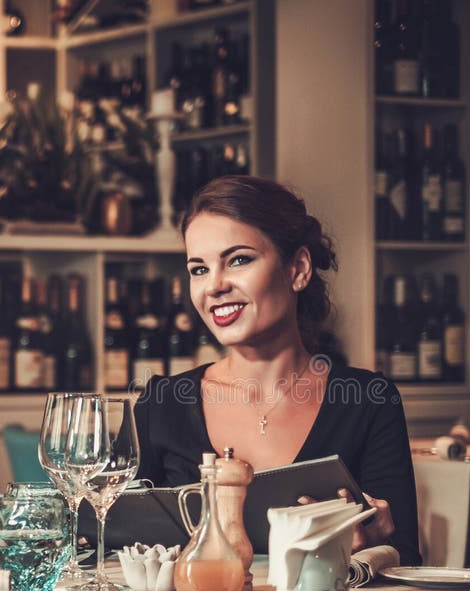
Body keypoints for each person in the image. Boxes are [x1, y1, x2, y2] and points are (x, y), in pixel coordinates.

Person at [135, 175, 421, 566]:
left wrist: (376, 538)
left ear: (298, 269)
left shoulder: (369, 400)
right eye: (198, 269)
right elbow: (123, 549)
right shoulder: (161, 404)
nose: (214, 286)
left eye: (238, 260)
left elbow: (405, 556)